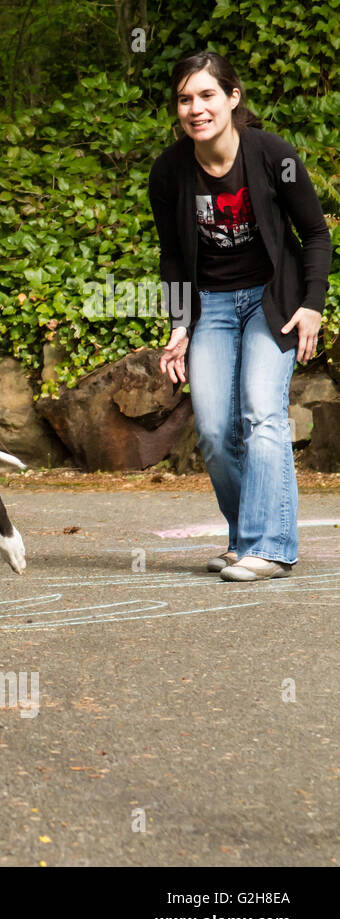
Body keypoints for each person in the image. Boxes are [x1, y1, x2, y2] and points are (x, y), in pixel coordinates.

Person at [149, 51, 331, 581]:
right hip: (213, 306)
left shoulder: (273, 154)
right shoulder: (170, 170)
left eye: (207, 95)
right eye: (185, 99)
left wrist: (312, 305)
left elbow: (316, 235)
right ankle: (244, 537)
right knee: (211, 427)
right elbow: (173, 254)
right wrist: (180, 324)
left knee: (262, 413)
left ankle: (271, 547)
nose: (196, 108)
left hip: (273, 300)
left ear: (232, 98)